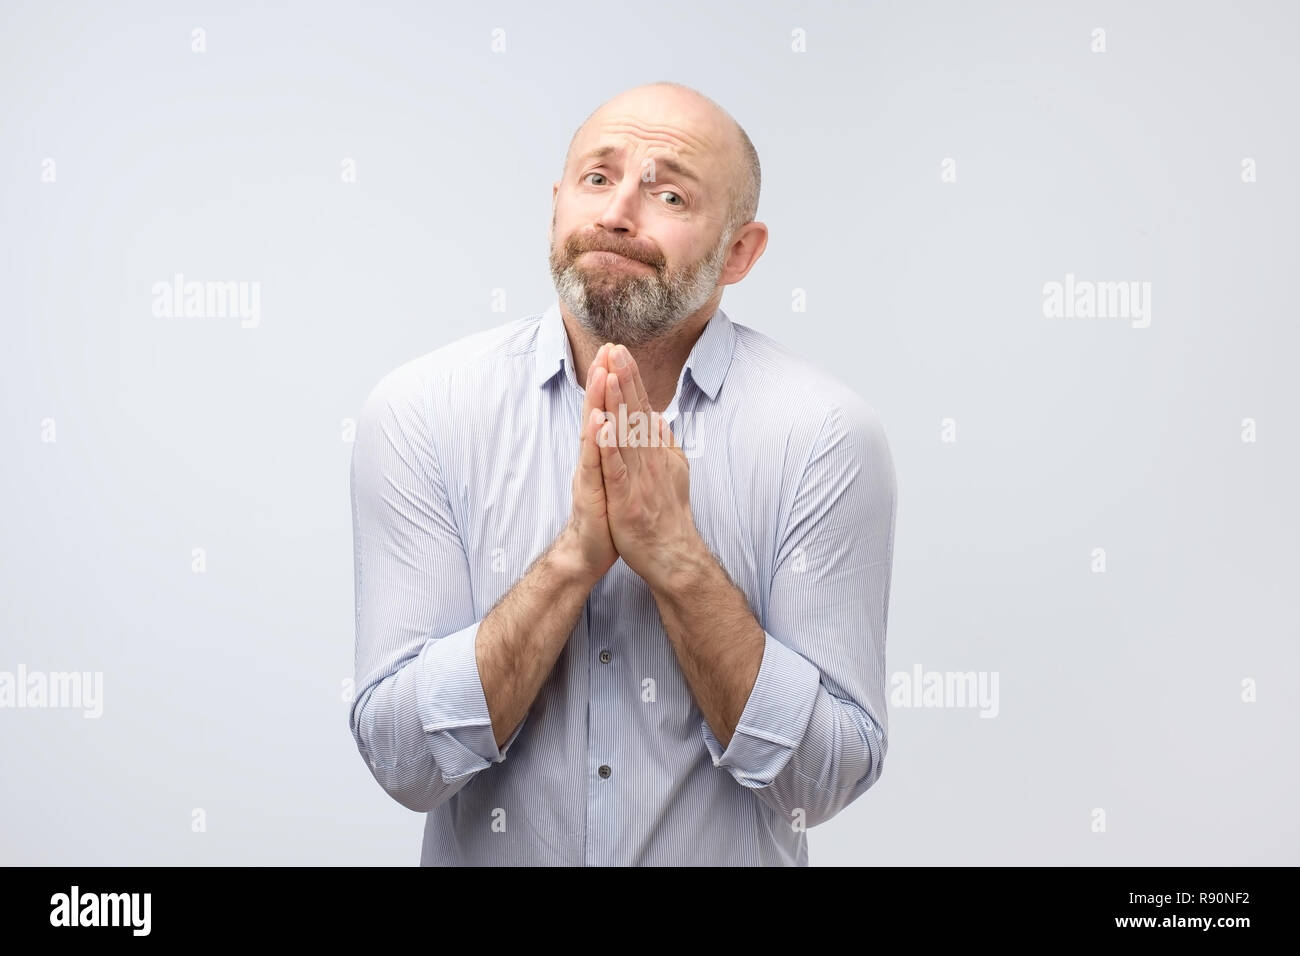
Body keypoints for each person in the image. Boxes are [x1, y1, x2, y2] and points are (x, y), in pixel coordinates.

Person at [348, 81, 897, 865]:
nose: (617, 213)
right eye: (597, 179)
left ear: (740, 252)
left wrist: (675, 560)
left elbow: (823, 784)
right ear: (556, 207)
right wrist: (574, 559)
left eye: (669, 192)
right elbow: (403, 762)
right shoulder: (420, 414)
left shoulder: (824, 438)